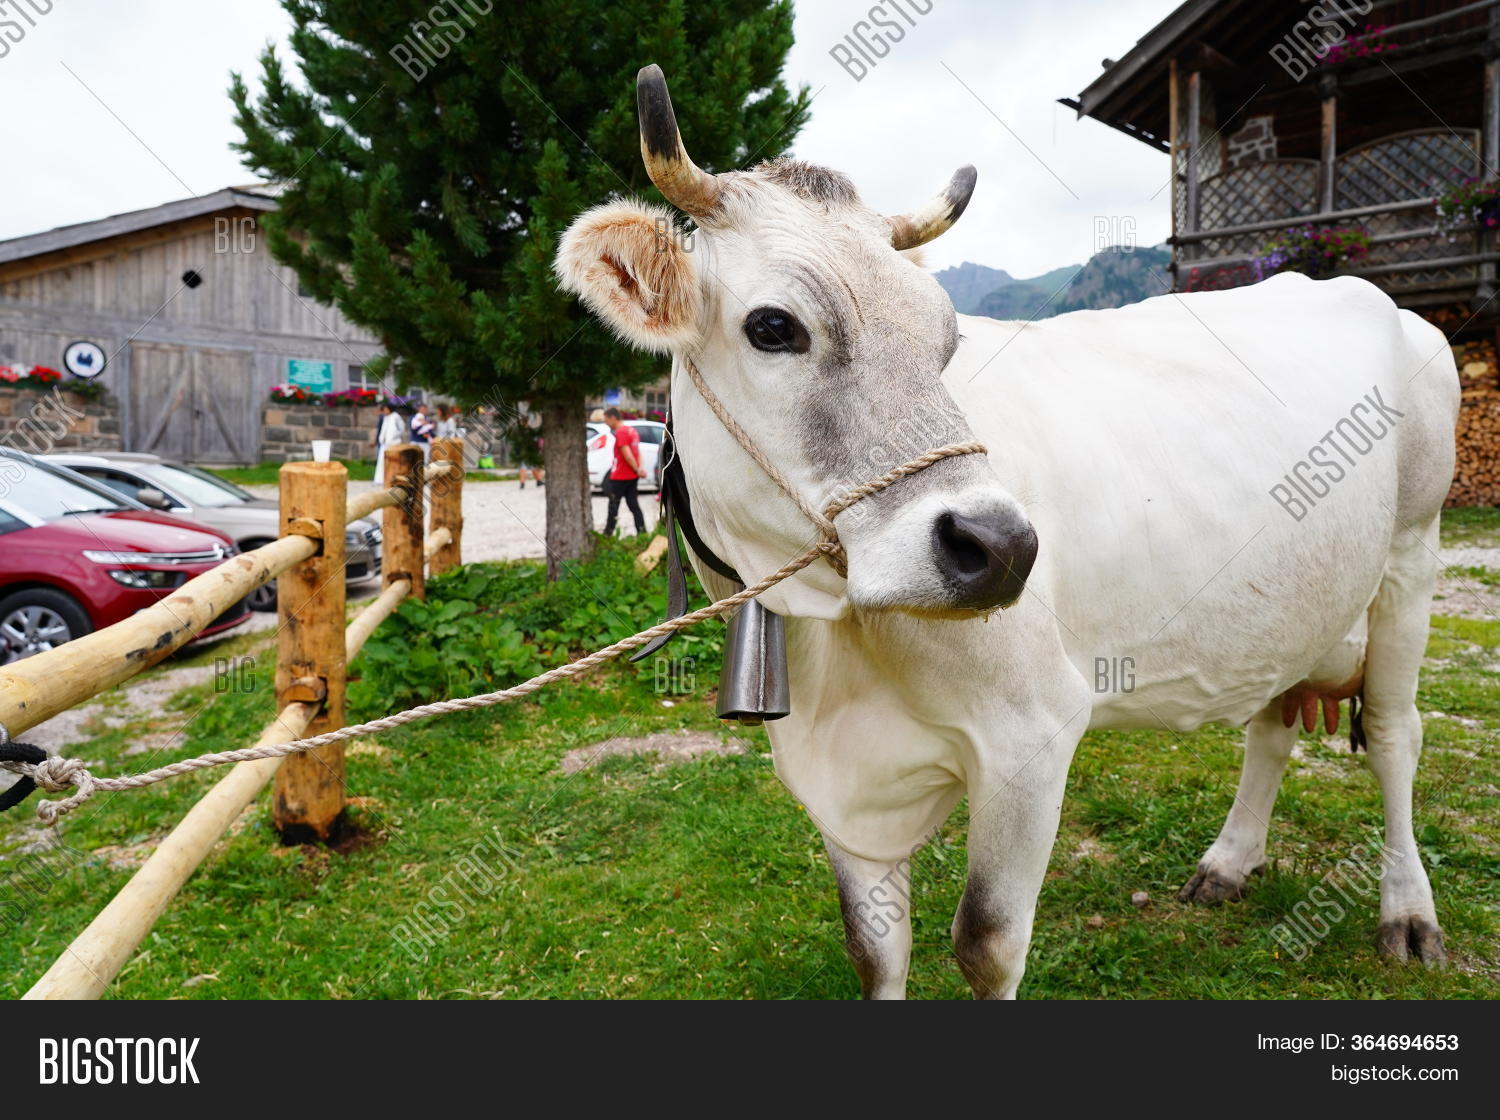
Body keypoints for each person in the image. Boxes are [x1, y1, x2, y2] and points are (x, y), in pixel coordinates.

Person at [601, 407, 646, 536]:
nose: (606, 423)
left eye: (606, 420)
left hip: (620, 477)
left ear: (613, 418)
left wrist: (637, 469)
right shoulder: (632, 430)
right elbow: (638, 452)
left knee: (613, 506)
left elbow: (628, 455)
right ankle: (642, 532)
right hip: (632, 476)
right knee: (633, 505)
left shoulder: (621, 432)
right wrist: (639, 469)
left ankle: (607, 534)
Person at [373, 402, 406, 486]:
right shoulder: (385, 417)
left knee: (393, 461)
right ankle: (380, 479)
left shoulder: (396, 417)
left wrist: (394, 436)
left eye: (385, 409)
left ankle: (393, 478)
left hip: (394, 443)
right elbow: (383, 430)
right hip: (384, 444)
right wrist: (381, 438)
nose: (384, 411)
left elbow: (402, 428)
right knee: (382, 461)